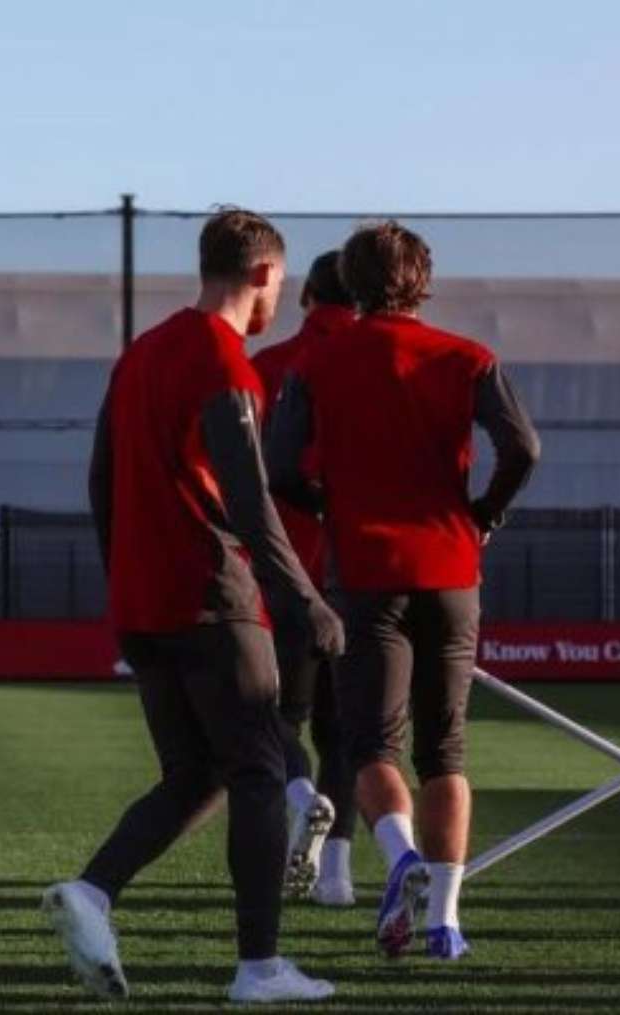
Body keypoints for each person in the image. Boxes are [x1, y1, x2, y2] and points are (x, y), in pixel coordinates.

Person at [46, 208, 342, 1005]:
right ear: (264, 275)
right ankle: (259, 967)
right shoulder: (225, 361)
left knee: (197, 772)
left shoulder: (140, 355)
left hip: (145, 606)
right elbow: (249, 501)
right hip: (213, 600)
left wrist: (125, 581)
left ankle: (95, 890)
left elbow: (99, 480)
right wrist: (305, 598)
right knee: (260, 768)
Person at [266, 221, 539, 961]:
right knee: (445, 749)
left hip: (364, 570)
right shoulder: (468, 357)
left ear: (352, 282)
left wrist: (330, 501)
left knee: (369, 741)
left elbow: (280, 466)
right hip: (451, 569)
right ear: (423, 278)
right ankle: (446, 921)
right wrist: (483, 513)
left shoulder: (318, 365)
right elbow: (524, 447)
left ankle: (401, 858)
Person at [249, 250, 358, 906]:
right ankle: (339, 873)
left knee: (273, 719)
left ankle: (297, 796)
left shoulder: (267, 367)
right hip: (363, 576)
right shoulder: (386, 363)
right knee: (346, 730)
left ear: (306, 295)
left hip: (284, 571)